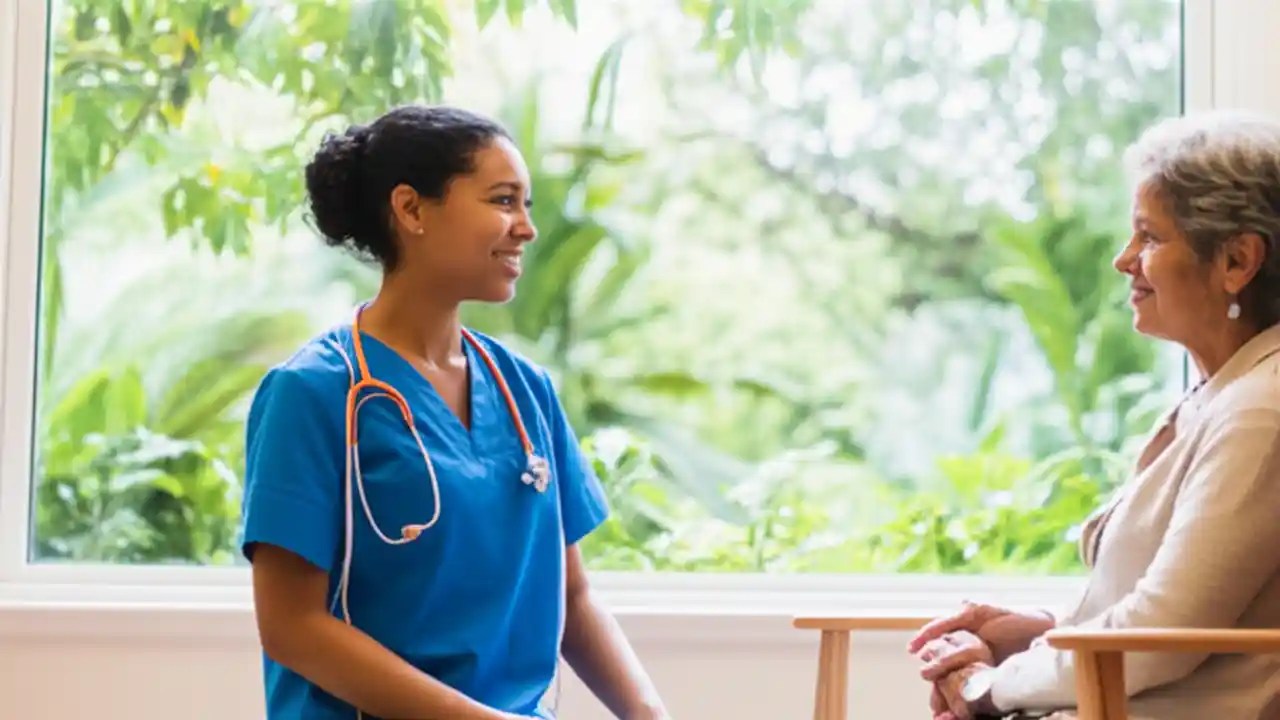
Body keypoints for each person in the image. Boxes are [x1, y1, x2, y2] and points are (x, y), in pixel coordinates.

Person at [239, 104, 670, 720]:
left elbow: (572, 598)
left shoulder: (528, 393)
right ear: (411, 209)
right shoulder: (312, 394)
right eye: (502, 201)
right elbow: (293, 628)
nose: (526, 227)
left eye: (526, 205)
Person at [908, 110, 1280, 720]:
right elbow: (1169, 616)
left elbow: (1158, 640)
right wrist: (1036, 633)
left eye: (1150, 237)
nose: (1123, 259)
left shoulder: (1260, 413)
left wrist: (987, 688)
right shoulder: (1218, 397)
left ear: (1237, 262)